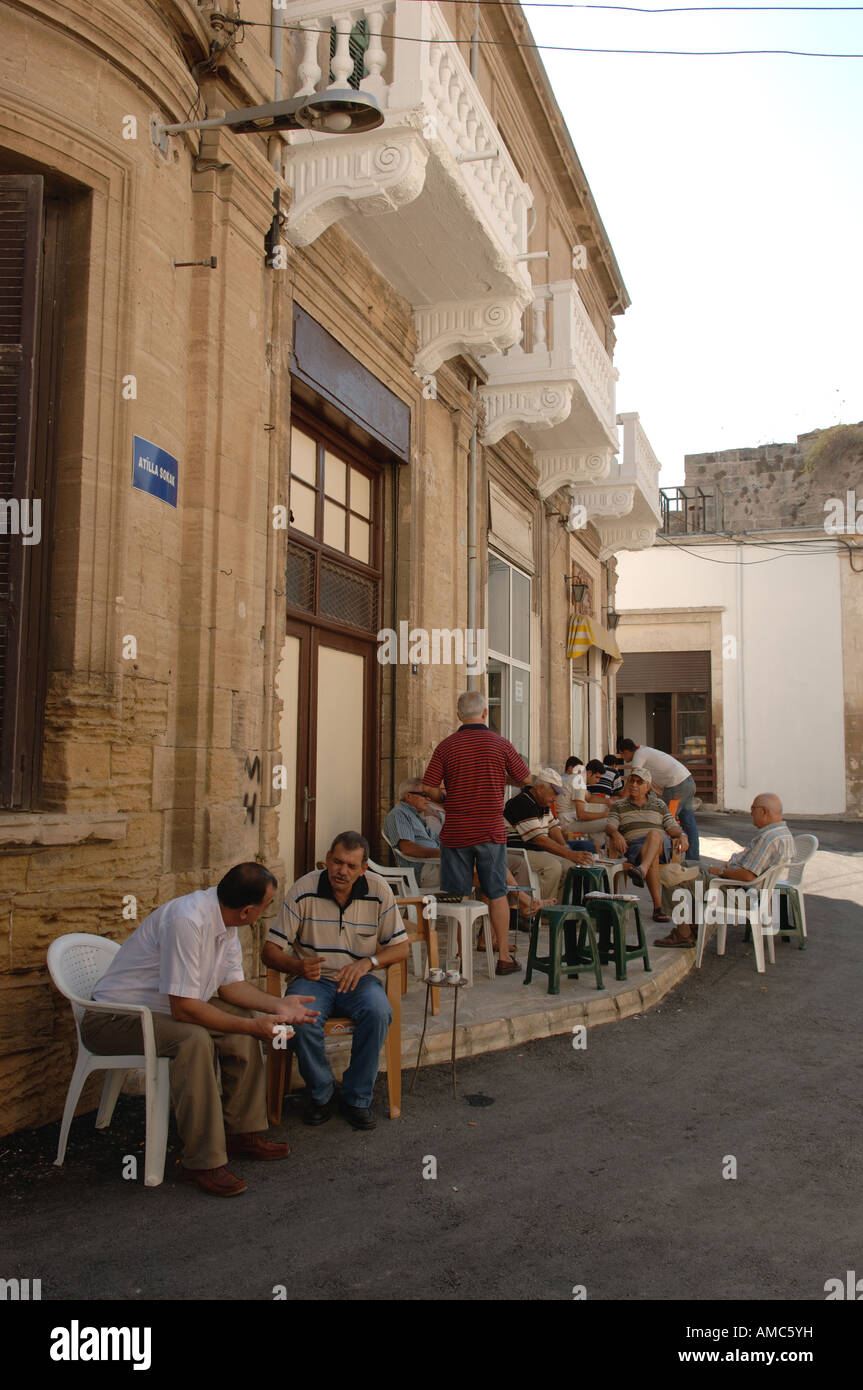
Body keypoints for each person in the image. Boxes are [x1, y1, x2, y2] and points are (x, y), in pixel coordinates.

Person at [82, 863, 319, 1197]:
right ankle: (201, 1162)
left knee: (241, 1019)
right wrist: (254, 1026)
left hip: (160, 1009)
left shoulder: (226, 919)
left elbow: (231, 987)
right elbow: (185, 1009)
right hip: (111, 1019)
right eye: (267, 904)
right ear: (247, 911)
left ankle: (242, 1132)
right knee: (193, 1039)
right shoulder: (188, 920)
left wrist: (278, 1006)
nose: (268, 910)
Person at [262, 832, 409, 1131]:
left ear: (364, 869)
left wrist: (369, 962)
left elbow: (401, 946)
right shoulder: (304, 888)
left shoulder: (379, 890)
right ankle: (322, 1092)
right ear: (327, 859)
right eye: (338, 862)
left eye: (351, 866)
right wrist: (297, 966)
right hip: (313, 979)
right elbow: (269, 951)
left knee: (378, 1012)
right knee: (300, 1017)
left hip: (358, 980)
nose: (342, 871)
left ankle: (356, 1097)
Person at [421, 690, 529, 975]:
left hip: (456, 831)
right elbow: (524, 777)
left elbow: (428, 787)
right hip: (490, 830)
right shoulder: (500, 744)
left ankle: (458, 958)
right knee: (497, 893)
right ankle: (504, 956)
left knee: (457, 897)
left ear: (458, 715)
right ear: (484, 713)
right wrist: (498, 776)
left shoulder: (446, 746)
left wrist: (446, 797)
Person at [664, 794, 795, 948]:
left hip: (739, 892)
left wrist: (720, 872)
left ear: (764, 811)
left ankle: (684, 934)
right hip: (748, 890)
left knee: (672, 876)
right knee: (686, 865)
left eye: (753, 808)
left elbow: (747, 875)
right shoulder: (783, 833)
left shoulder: (768, 839)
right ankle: (693, 926)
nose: (751, 812)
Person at [605, 768, 688, 925]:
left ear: (648, 787)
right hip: (636, 848)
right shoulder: (619, 806)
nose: (634, 785)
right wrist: (616, 835)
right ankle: (657, 908)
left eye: (639, 782)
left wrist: (683, 835)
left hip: (662, 845)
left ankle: (642, 869)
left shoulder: (659, 804)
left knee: (654, 835)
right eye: (632, 781)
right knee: (652, 853)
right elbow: (610, 826)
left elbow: (672, 827)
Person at [504, 768, 595, 902]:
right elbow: (539, 840)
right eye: (554, 793)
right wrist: (569, 853)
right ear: (540, 788)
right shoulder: (522, 802)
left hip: (533, 850)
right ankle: (541, 909)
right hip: (518, 851)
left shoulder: (543, 802)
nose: (555, 798)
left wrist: (564, 846)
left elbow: (553, 827)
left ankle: (557, 906)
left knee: (569, 865)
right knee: (552, 866)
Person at [618, 737, 700, 862]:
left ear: (625, 751)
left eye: (622, 755)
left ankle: (663, 858)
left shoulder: (639, 754)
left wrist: (622, 798)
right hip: (688, 781)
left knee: (663, 821)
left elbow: (633, 777)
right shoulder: (646, 751)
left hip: (676, 784)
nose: (624, 759)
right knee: (689, 824)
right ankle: (693, 860)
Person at [383, 778, 441, 886]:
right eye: (424, 794)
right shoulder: (399, 814)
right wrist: (442, 854)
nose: (428, 799)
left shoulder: (418, 818)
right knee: (478, 874)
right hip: (423, 871)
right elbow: (407, 848)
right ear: (408, 796)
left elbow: (442, 841)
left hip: (436, 864)